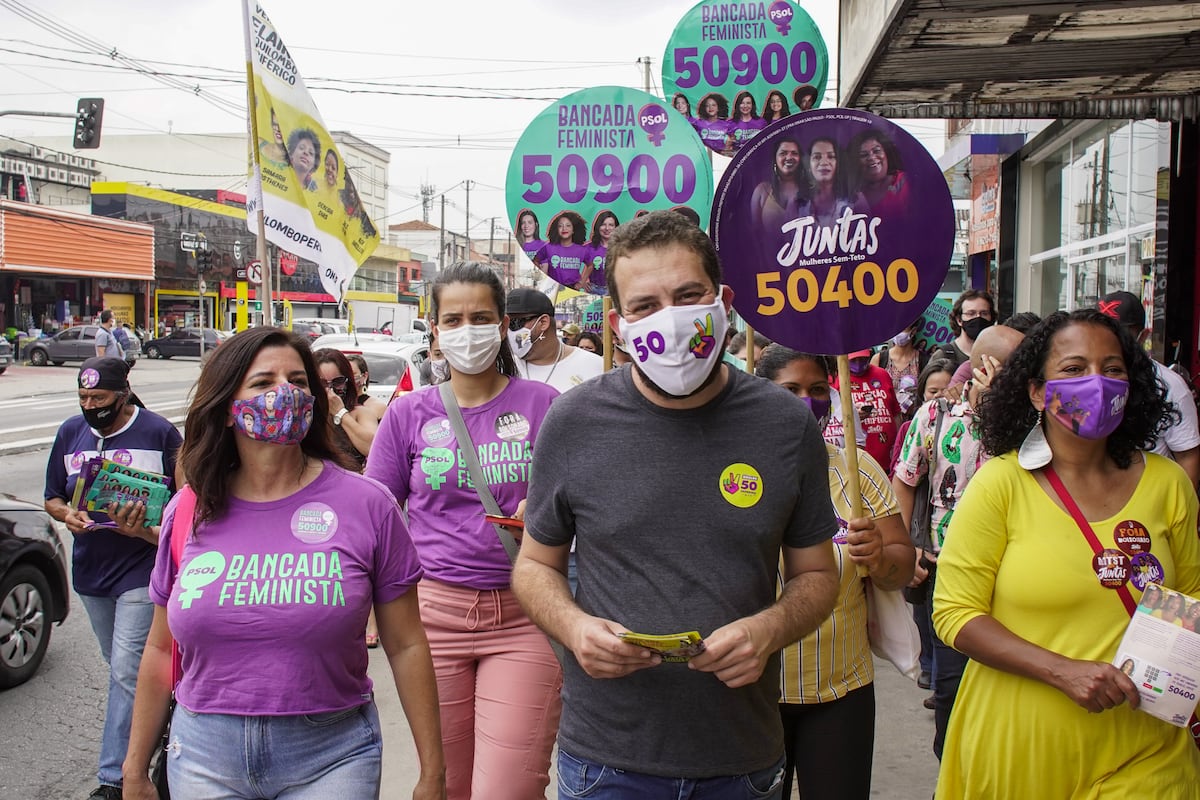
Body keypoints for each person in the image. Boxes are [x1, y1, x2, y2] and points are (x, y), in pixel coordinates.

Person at [512, 210, 840, 798]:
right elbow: (535, 566)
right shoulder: (574, 421)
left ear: (724, 302)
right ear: (618, 322)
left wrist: (770, 629)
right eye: (645, 304)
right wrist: (574, 627)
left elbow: (818, 576)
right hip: (604, 764)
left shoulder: (786, 423)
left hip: (742, 760)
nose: (670, 316)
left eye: (689, 295)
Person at [120, 327, 445, 800]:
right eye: (262, 383)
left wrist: (432, 773)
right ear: (227, 406)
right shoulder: (189, 508)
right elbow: (161, 652)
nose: (285, 394)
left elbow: (407, 643)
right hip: (204, 755)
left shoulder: (368, 504)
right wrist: (134, 770)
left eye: (297, 380)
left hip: (332, 755)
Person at [933, 309, 1200, 797]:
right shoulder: (1000, 485)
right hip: (1023, 746)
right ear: (1037, 391)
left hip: (1146, 748)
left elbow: (1189, 601)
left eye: (1113, 369)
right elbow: (954, 614)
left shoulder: (1169, 484)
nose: (1097, 383)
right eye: (1074, 369)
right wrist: (1062, 671)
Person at [365, 263, 563, 800]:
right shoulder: (407, 415)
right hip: (429, 622)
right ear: (434, 329)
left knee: (509, 789)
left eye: (480, 317)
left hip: (527, 615)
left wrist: (545, 519)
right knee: (445, 784)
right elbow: (374, 518)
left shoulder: (546, 408)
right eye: (452, 319)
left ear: (502, 325)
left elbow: (585, 509)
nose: (466, 329)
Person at [755, 345, 914, 799]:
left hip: (841, 689)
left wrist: (880, 557)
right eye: (790, 390)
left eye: (818, 389)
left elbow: (900, 568)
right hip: (750, 693)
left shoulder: (856, 469)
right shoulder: (729, 471)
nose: (806, 401)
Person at [44, 357, 182, 800]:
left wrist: (144, 528)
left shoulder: (160, 434)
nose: (90, 406)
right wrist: (69, 514)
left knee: (127, 671)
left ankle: (116, 777)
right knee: (124, 667)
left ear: (122, 394)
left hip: (142, 570)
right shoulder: (70, 433)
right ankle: (168, 713)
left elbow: (187, 507)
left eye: (98, 398)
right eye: (83, 398)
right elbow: (52, 496)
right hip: (90, 571)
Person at [894, 324, 1025, 758]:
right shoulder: (935, 416)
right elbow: (907, 478)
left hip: (1012, 573)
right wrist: (908, 545)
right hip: (946, 572)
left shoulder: (1030, 422)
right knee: (951, 685)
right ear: (985, 366)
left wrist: (1000, 411)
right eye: (1016, 368)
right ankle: (952, 771)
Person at [1098, 290, 1200, 489]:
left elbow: (1188, 456)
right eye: (1102, 333)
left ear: (1143, 335)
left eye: (1121, 334)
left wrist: (1180, 510)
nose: (1110, 342)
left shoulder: (1169, 386)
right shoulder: (1079, 380)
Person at [506, 287, 603, 393]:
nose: (508, 330)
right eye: (504, 323)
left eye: (514, 323)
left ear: (543, 322)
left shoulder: (594, 366)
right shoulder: (501, 368)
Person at [833, 348, 901, 473]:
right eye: (854, 360)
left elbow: (895, 412)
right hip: (858, 461)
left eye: (863, 359)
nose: (858, 363)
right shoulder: (838, 380)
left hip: (888, 458)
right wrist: (852, 416)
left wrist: (898, 445)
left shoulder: (882, 374)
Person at [797, 136, 868, 229]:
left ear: (838, 163)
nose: (824, 162)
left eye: (830, 156)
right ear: (809, 165)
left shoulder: (856, 199)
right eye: (817, 157)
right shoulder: (796, 203)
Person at [873, 317, 929, 418]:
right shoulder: (879, 359)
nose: (897, 332)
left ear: (913, 331)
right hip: (886, 422)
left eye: (902, 329)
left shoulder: (923, 361)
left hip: (913, 422)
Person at [751, 138, 805, 235]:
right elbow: (755, 234)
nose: (789, 157)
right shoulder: (762, 191)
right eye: (783, 153)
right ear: (775, 158)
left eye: (794, 153)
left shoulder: (809, 191)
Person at [852, 128, 909, 217]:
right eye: (863, 155)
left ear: (886, 153)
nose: (871, 157)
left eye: (876, 151)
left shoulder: (904, 181)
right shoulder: (852, 194)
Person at [938, 289, 996, 368]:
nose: (978, 317)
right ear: (959, 320)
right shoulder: (943, 355)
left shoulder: (997, 354)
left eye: (984, 313)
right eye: (971, 313)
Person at [533, 211, 589, 290]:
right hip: (553, 288)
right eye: (560, 226)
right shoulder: (548, 247)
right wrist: (542, 278)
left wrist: (582, 282)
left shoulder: (581, 250)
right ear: (557, 229)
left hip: (573, 289)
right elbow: (535, 261)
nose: (564, 229)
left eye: (568, 226)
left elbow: (591, 265)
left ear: (573, 230)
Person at [581, 209, 618, 295]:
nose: (607, 228)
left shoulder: (622, 247)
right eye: (603, 225)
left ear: (616, 227)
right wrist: (582, 280)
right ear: (598, 227)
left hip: (616, 291)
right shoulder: (589, 248)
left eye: (611, 225)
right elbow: (571, 264)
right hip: (594, 291)